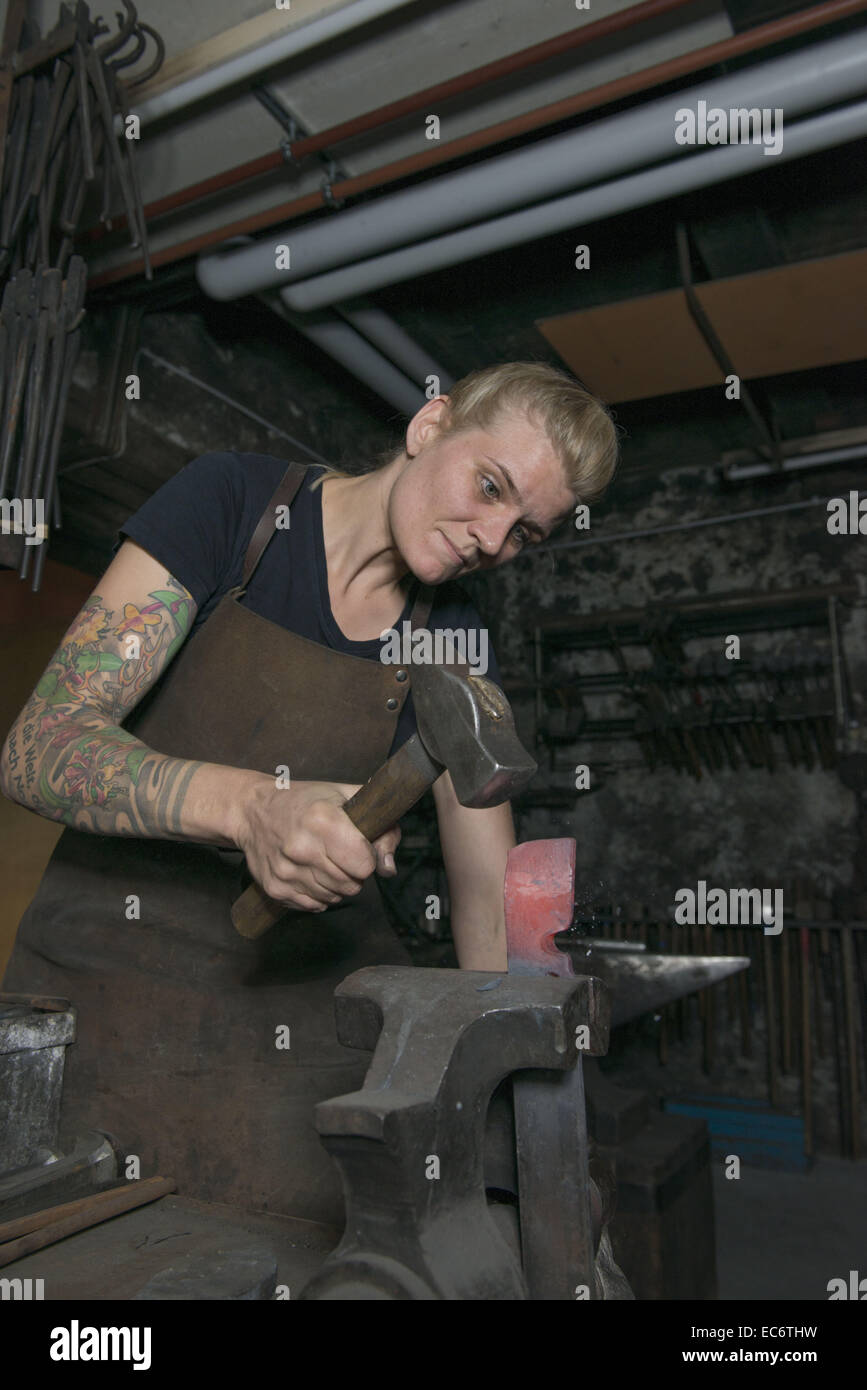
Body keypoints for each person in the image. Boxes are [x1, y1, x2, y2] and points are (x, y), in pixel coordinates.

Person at [1, 361, 618, 1226]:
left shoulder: (453, 640)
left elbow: (487, 905)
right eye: (489, 486)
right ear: (430, 425)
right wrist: (253, 809)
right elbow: (41, 746)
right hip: (105, 1015)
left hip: (295, 1059)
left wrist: (526, 1120)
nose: (492, 537)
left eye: (526, 532)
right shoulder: (234, 506)